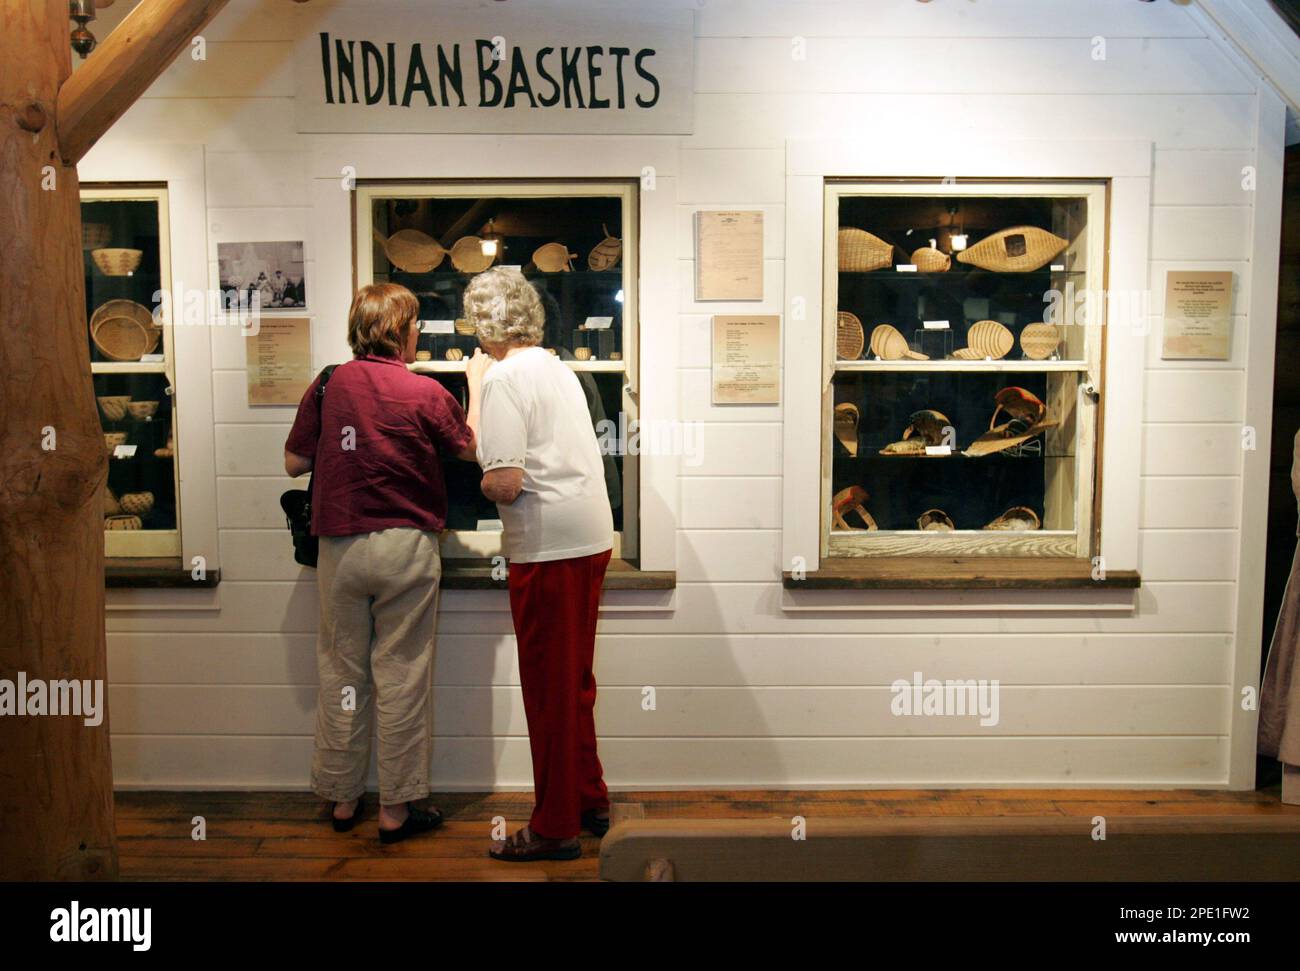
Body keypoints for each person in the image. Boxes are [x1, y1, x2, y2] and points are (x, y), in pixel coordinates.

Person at [284, 282, 484, 844]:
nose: (418, 332)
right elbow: (471, 449)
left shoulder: (327, 384)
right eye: (415, 324)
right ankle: (396, 808)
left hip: (340, 546)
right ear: (402, 330)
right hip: (406, 545)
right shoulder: (423, 391)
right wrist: (476, 387)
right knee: (402, 675)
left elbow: (293, 464)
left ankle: (342, 798)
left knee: (341, 671)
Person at [463, 267, 615, 862]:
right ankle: (589, 798)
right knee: (574, 683)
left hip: (547, 545)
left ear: (484, 325)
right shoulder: (558, 367)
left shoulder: (502, 377)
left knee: (548, 691)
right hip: (591, 535)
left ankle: (555, 828)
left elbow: (503, 483)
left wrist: (475, 391)